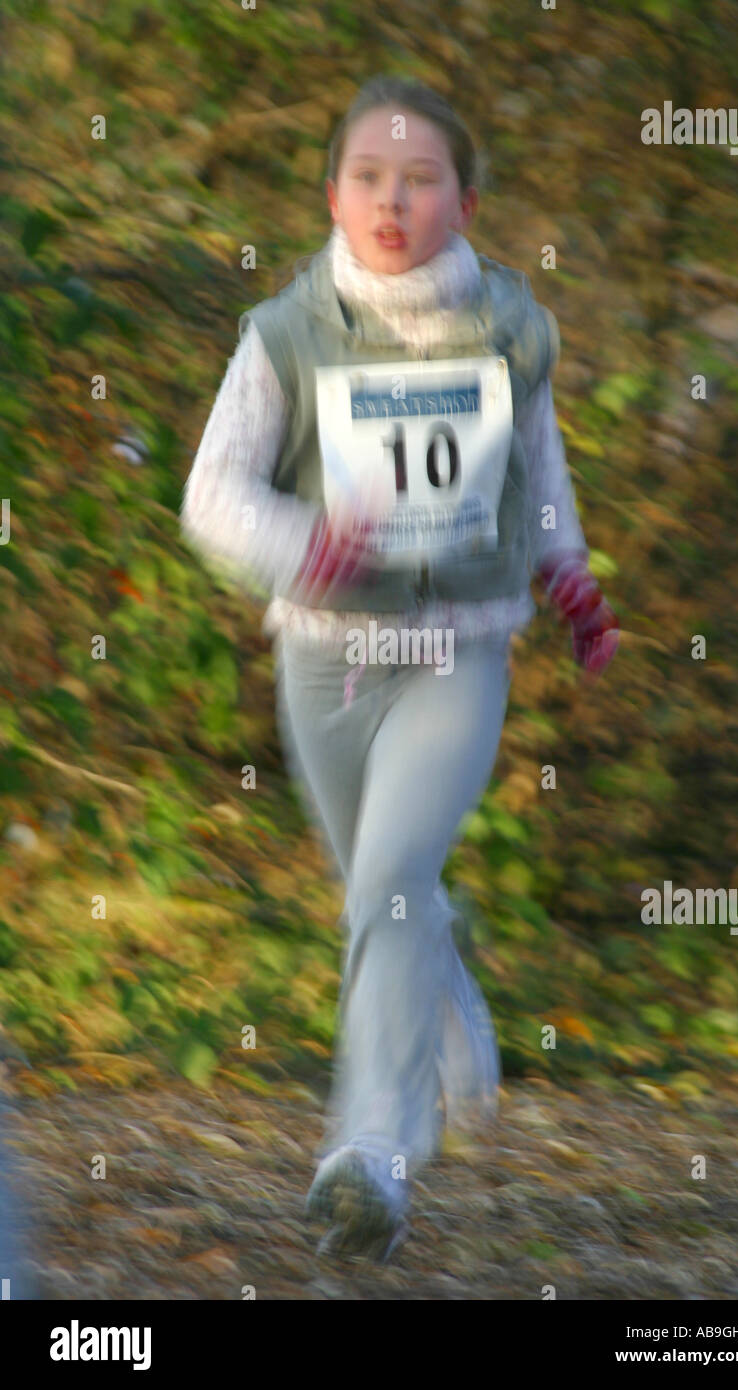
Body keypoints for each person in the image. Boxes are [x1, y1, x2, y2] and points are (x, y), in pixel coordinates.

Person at [179, 75, 619, 1262]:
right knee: (381, 894)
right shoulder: (283, 334)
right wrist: (301, 545)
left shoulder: (512, 328)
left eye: (420, 178)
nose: (392, 199)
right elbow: (212, 495)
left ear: (463, 203)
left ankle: (366, 1157)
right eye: (369, 178)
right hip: (326, 661)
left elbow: (538, 471)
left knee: (384, 882)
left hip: (456, 651)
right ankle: (442, 998)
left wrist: (566, 575)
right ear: (331, 193)